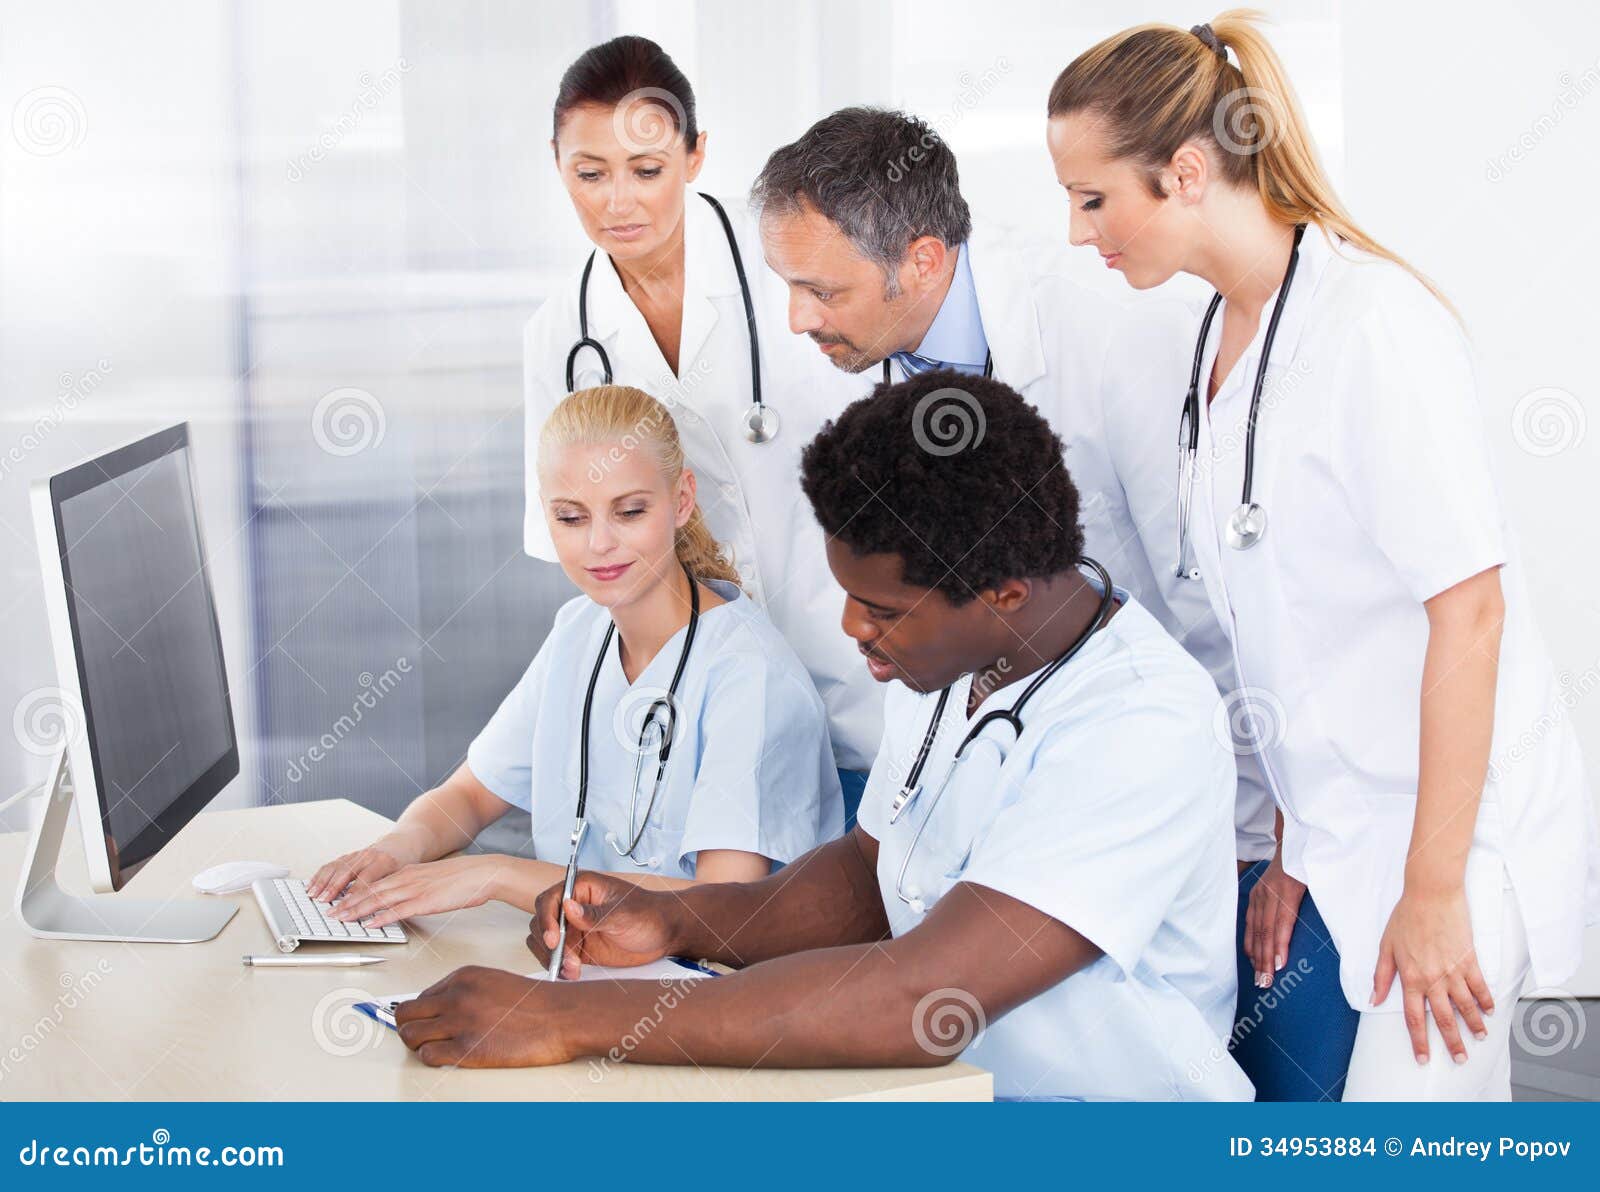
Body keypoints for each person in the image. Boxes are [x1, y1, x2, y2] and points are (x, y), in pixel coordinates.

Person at [393, 372, 1252, 1102]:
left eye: (879, 609)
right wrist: (673, 920)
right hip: (936, 1096)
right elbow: (865, 878)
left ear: (1003, 593)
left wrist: (565, 1017)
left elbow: (921, 993)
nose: (849, 628)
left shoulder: (1140, 723)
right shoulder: (950, 662)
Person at [1046, 11, 1598, 1099]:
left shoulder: (1371, 327)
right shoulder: (1223, 336)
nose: (1077, 233)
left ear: (1187, 172)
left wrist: (1436, 883)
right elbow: (1284, 620)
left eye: (1092, 198)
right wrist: (1296, 836)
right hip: (1343, 838)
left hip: (1455, 842)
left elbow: (1468, 610)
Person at [309, 385, 841, 925]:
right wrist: (395, 850)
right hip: (587, 959)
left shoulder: (751, 676)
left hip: (708, 986)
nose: (599, 545)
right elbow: (470, 795)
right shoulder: (578, 630)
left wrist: (498, 875)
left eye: (629, 511)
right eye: (571, 518)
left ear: (681, 501)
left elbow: (721, 908)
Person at [521, 37, 879, 814]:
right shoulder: (562, 334)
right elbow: (582, 546)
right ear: (557, 164)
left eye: (646, 170)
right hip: (704, 709)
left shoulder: (790, 261)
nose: (618, 202)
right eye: (590, 173)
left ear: (695, 155)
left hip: (861, 677)